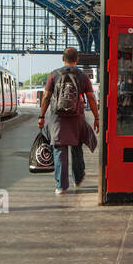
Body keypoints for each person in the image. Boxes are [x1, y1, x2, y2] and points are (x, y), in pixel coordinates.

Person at [39, 47, 99, 195]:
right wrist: (97, 117)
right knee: (76, 146)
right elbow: (91, 98)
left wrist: (41, 116)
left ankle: (61, 186)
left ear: (62, 59)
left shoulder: (54, 75)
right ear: (77, 59)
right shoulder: (82, 76)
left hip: (57, 117)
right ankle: (78, 178)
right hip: (76, 117)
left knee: (59, 149)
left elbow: (46, 96)